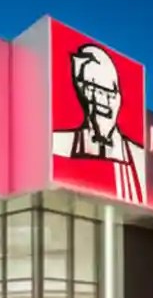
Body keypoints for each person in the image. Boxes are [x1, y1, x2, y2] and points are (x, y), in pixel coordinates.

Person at [52, 44, 147, 204]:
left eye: (109, 92)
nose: (101, 100)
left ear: (119, 97)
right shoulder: (56, 145)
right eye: (92, 89)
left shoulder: (139, 158)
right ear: (80, 92)